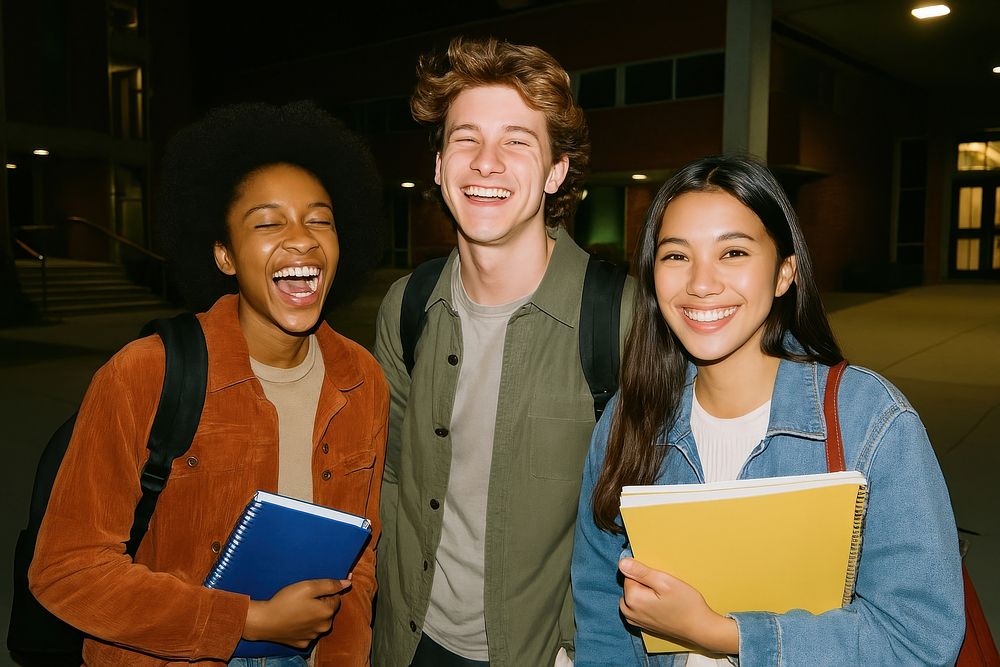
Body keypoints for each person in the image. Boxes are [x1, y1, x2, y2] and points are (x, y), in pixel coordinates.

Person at [29, 101, 388, 667]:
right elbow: (66, 570)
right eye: (268, 223)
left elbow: (359, 558)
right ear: (224, 255)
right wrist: (247, 619)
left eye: (320, 220)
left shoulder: (362, 379)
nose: (302, 240)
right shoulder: (144, 373)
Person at [571, 154, 965, 666]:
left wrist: (728, 635)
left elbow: (921, 638)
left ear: (784, 273)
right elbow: (601, 613)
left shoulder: (870, 420)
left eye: (732, 252)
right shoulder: (630, 417)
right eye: (675, 256)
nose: (701, 283)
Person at [372, 37, 635, 666]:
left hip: (544, 652)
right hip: (409, 643)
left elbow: (649, 508)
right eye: (465, 139)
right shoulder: (407, 307)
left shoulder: (622, 318)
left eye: (517, 141)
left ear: (555, 171)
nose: (486, 162)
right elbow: (387, 475)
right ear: (438, 166)